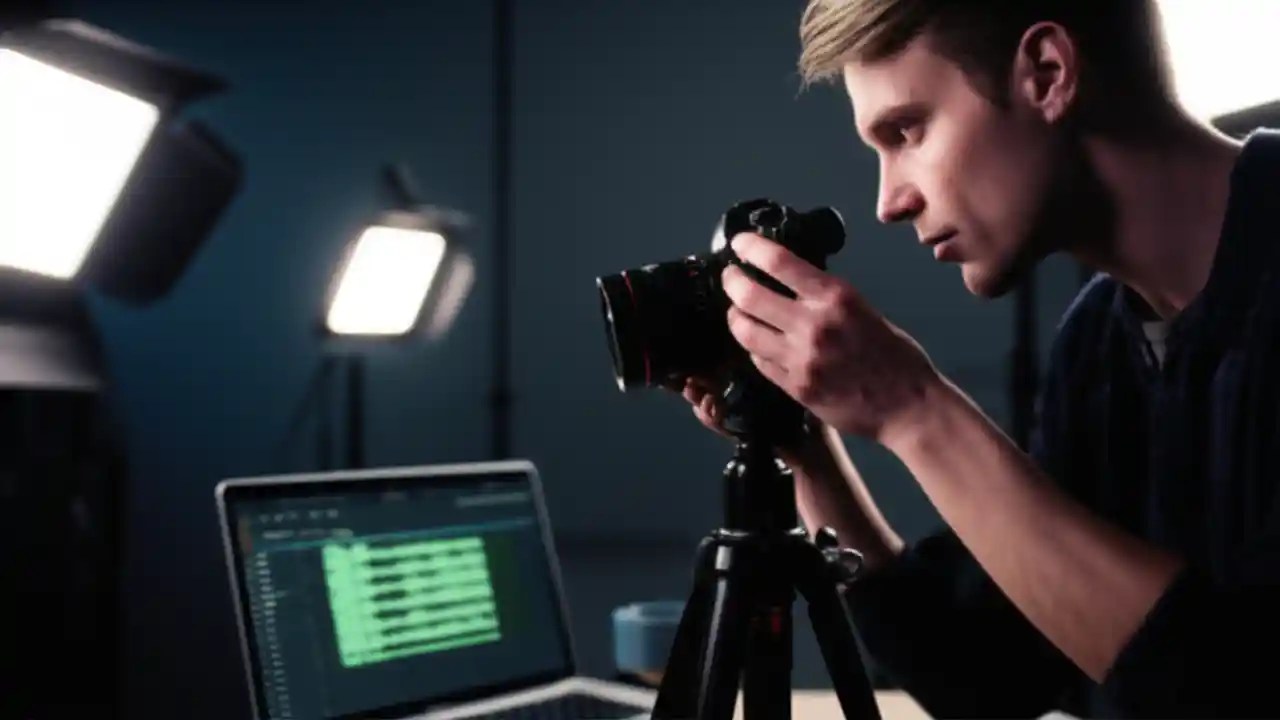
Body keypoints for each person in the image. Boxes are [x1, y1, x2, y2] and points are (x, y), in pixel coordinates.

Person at [677, 0, 1280, 717]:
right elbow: (993, 675)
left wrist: (915, 410)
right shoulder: (1098, 338)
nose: (888, 201)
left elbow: (1235, 689)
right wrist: (807, 450)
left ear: (1047, 73)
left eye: (908, 130)